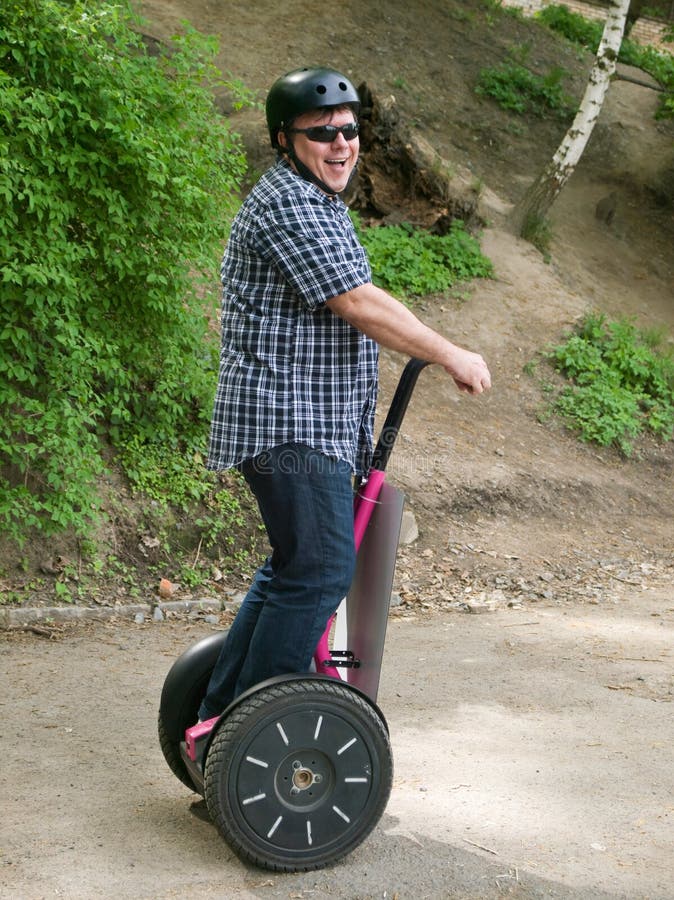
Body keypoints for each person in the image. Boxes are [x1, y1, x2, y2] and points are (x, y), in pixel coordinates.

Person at [197, 67, 491, 724]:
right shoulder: (289, 205)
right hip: (288, 423)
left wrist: (431, 346)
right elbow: (356, 301)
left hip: (307, 422)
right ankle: (251, 730)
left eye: (349, 129)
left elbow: (361, 294)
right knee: (321, 570)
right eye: (322, 132)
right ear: (284, 139)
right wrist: (447, 352)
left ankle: (219, 720)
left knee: (296, 568)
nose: (341, 144)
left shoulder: (315, 201)